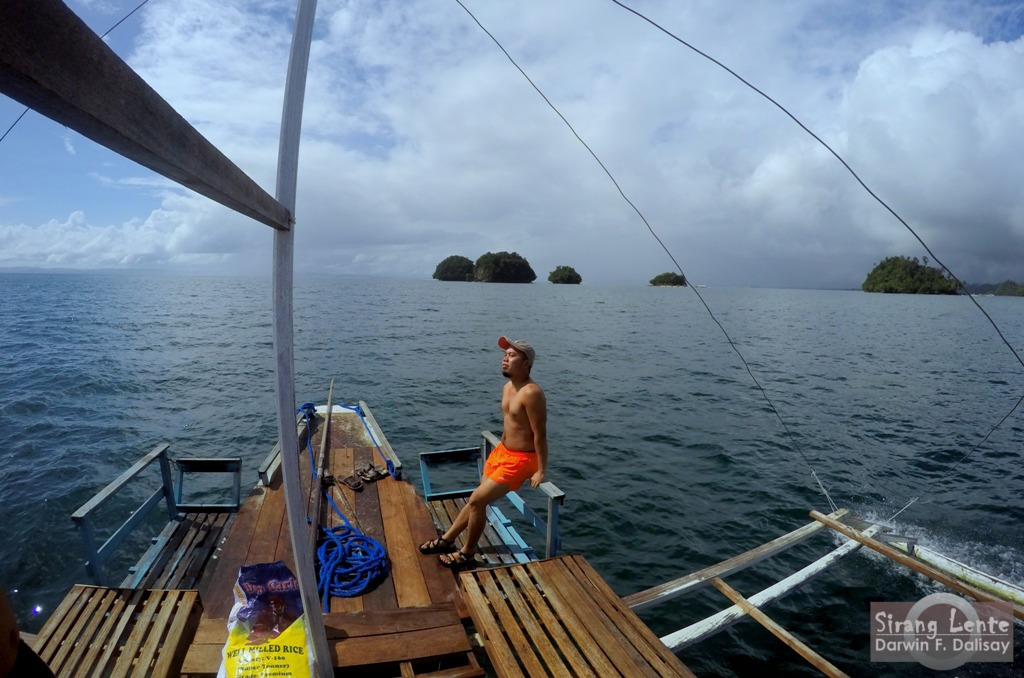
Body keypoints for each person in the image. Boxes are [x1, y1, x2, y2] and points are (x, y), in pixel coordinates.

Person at [420, 336, 547, 569]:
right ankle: (447, 540)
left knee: (477, 500)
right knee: (478, 499)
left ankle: (467, 554)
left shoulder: (532, 393)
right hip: (501, 452)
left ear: (527, 362)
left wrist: (541, 470)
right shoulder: (508, 387)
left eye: (512, 355)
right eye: (505, 354)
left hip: (521, 460)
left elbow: (540, 434)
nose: (504, 359)